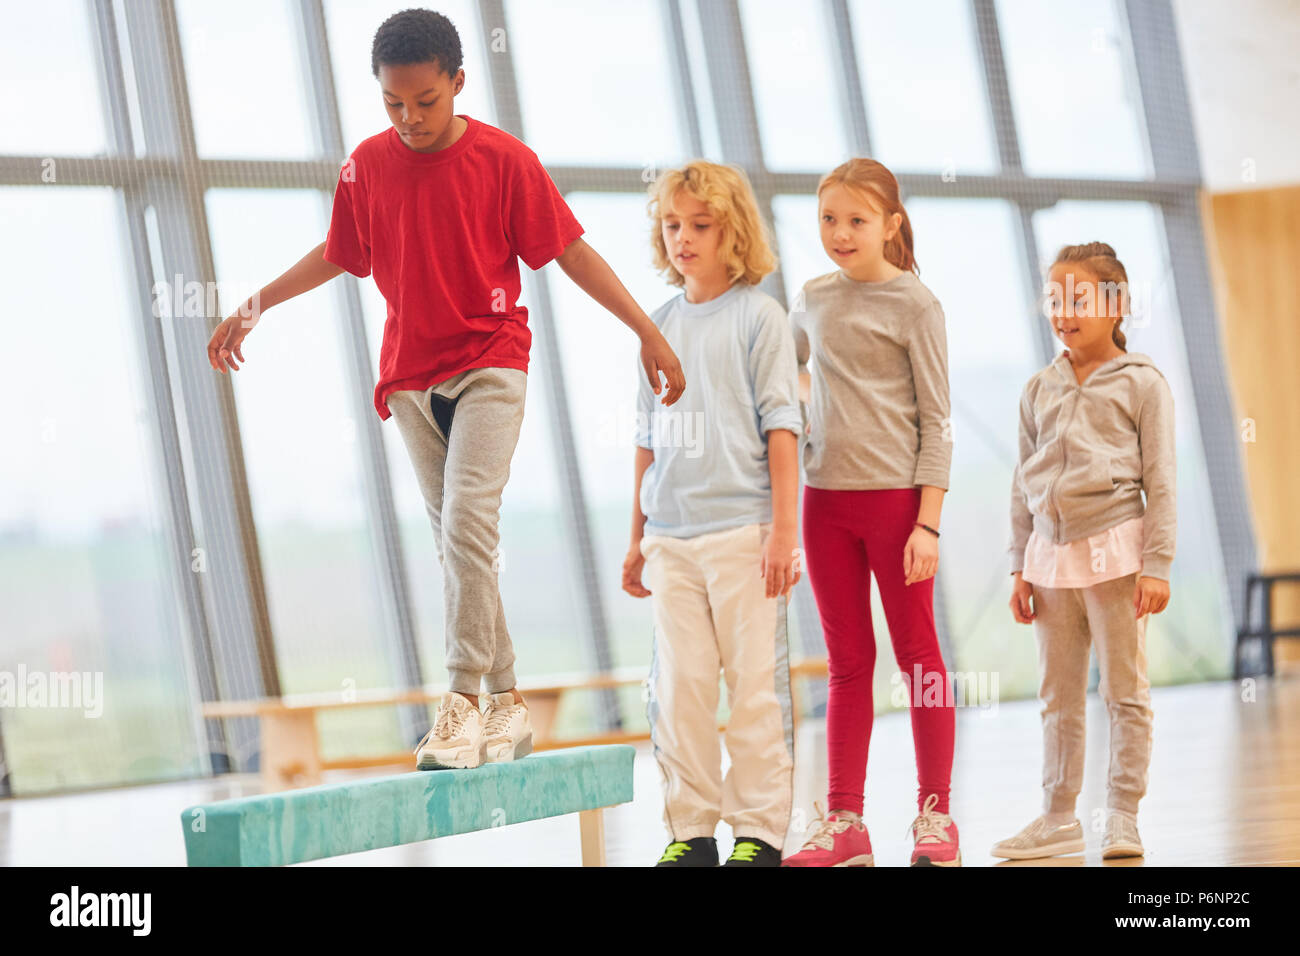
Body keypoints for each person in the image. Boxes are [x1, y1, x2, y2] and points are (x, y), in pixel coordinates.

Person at [205, 8, 684, 771]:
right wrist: (252, 304)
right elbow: (337, 253)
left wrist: (647, 332)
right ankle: (509, 704)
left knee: (466, 519)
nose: (410, 118)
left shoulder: (504, 161)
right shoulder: (365, 165)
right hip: (408, 381)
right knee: (458, 545)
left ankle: (460, 704)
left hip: (491, 364)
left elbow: (571, 252)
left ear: (458, 82)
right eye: (394, 103)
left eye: (426, 101)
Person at [623, 161, 802, 867]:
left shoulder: (761, 317)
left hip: (745, 536)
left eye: (700, 225)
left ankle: (760, 831)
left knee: (753, 687)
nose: (683, 238)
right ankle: (689, 832)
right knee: (682, 689)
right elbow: (646, 441)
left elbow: (782, 430)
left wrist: (784, 532)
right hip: (670, 541)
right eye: (672, 224)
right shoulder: (656, 326)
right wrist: (635, 540)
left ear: (734, 232)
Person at [782, 158, 960, 867]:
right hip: (823, 504)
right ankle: (846, 824)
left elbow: (938, 421)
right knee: (847, 663)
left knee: (919, 657)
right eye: (828, 219)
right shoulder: (813, 297)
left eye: (856, 220)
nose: (840, 233)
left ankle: (936, 818)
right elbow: (781, 372)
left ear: (892, 225)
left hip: (898, 507)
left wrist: (929, 522)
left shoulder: (918, 305)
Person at [993, 242, 1175, 861]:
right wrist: (1019, 566)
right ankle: (1058, 816)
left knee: (1124, 691)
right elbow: (1022, 483)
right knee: (1058, 696)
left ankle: (1122, 813)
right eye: (1054, 299)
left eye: (1078, 298)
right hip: (1049, 560)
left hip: (1118, 554)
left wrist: (1158, 565)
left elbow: (1162, 480)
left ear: (1116, 303)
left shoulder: (1144, 384)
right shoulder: (1036, 389)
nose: (1063, 312)